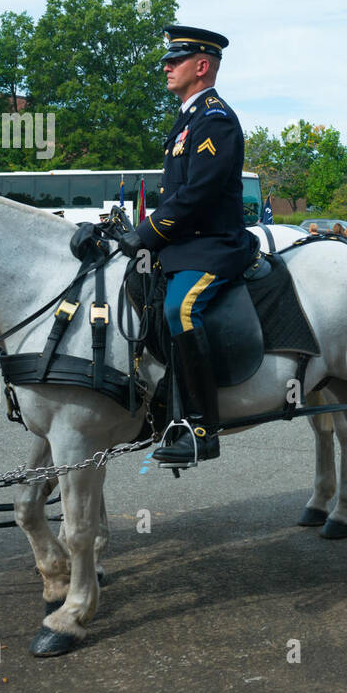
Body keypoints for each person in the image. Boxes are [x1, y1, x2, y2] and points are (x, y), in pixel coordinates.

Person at [118, 24, 252, 465]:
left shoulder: (216, 118)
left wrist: (147, 233)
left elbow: (199, 195)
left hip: (213, 245)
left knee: (181, 308)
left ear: (202, 66)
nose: (167, 67)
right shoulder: (189, 118)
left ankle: (202, 428)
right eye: (167, 60)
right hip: (183, 246)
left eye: (175, 61)